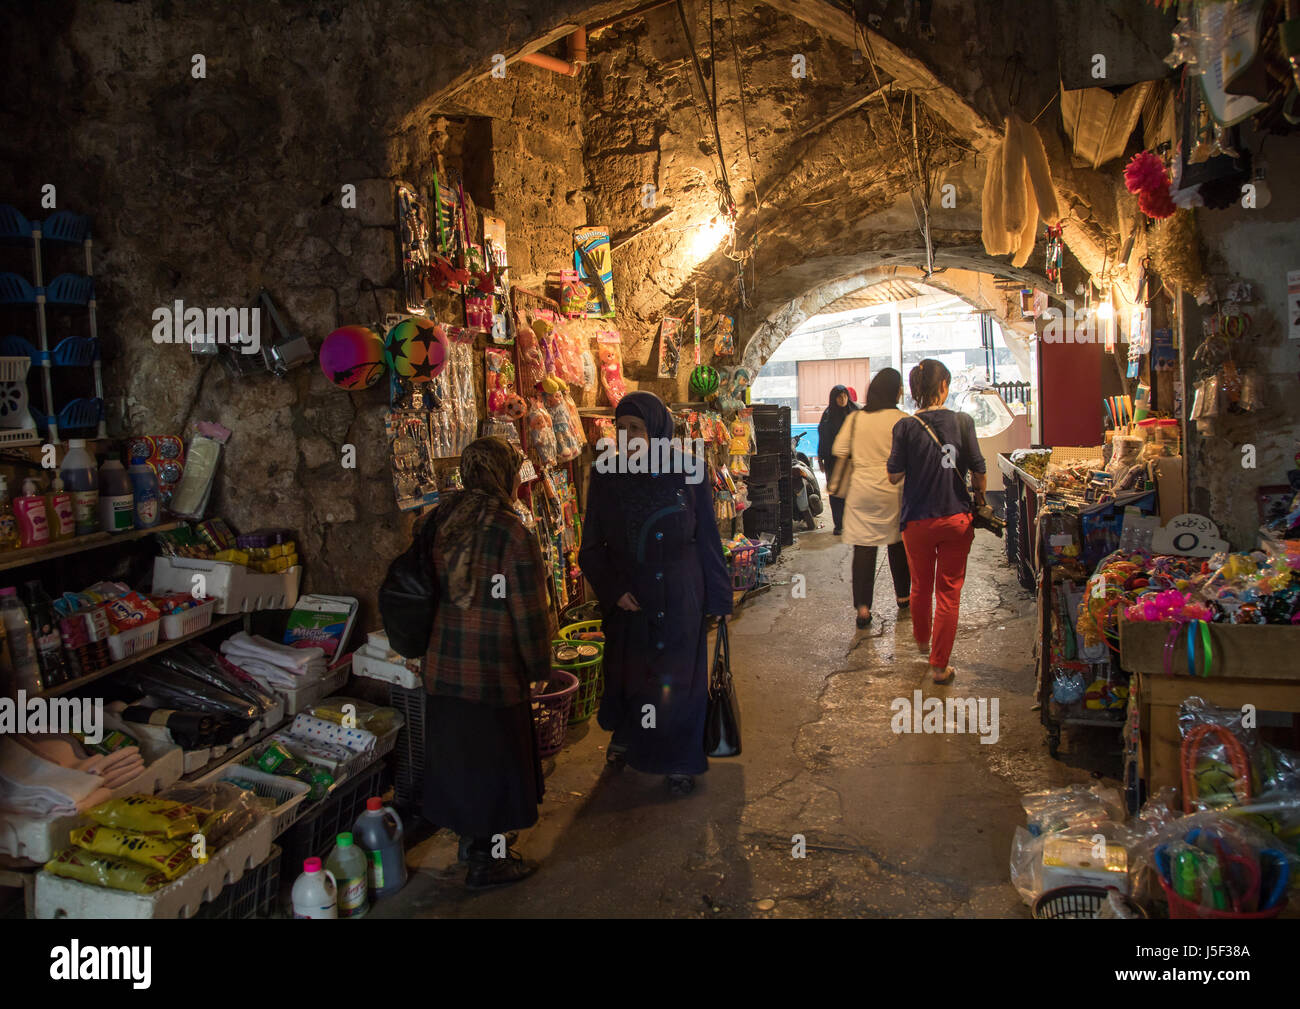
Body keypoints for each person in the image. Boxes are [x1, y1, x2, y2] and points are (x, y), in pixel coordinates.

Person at [579, 391, 733, 796]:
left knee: (679, 679)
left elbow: (707, 540)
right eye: (622, 429)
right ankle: (629, 739)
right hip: (631, 596)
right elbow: (591, 546)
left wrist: (720, 597)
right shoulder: (606, 474)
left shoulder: (689, 471)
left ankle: (679, 759)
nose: (628, 438)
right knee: (632, 676)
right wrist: (614, 590)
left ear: (658, 431)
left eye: (637, 429)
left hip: (682, 592)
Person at [421, 436, 555, 889]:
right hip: (493, 673)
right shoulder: (509, 530)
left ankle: (470, 843)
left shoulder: (439, 520)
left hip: (443, 668)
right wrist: (540, 667)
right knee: (496, 769)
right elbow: (529, 610)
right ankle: (488, 860)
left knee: (462, 763)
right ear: (506, 474)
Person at [887, 360, 987, 684]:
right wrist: (980, 498)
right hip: (956, 518)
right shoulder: (962, 421)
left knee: (920, 585)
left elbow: (893, 475)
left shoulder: (904, 427)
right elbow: (979, 469)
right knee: (948, 592)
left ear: (915, 392)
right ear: (943, 386)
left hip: (916, 522)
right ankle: (939, 666)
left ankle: (921, 639)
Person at [832, 368, 911, 629]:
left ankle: (863, 610)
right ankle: (903, 596)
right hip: (893, 487)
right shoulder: (903, 419)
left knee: (864, 549)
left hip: (862, 489)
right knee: (897, 543)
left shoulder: (856, 419)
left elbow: (839, 449)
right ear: (894, 390)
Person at [816, 385, 858, 535]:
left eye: (845, 396)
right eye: (839, 397)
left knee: (852, 491)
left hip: (853, 460)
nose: (843, 399)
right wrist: (820, 458)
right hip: (833, 461)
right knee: (835, 491)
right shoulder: (828, 415)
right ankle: (839, 524)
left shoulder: (855, 412)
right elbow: (823, 438)